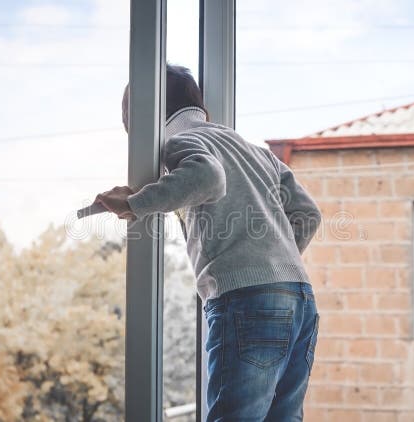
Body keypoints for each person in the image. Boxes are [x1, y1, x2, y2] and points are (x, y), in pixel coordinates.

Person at [95, 64, 322, 421]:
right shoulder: (255, 150)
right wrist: (273, 262)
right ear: (203, 109)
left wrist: (134, 203)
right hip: (300, 299)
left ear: (143, 119)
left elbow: (207, 177)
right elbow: (308, 213)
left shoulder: (181, 141)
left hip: (246, 299)